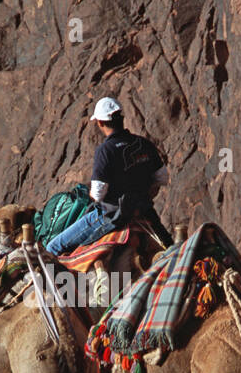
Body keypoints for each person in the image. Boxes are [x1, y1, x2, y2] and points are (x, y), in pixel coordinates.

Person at [44, 97, 170, 255]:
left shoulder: (105, 150)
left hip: (111, 216)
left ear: (100, 123)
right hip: (145, 210)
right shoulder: (143, 143)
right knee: (171, 247)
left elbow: (98, 193)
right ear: (122, 119)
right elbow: (162, 178)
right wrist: (141, 197)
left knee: (53, 248)